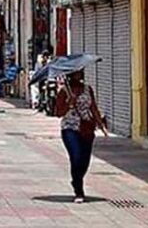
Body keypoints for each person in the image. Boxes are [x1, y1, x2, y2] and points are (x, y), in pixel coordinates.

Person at [57, 70, 108, 203]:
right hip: (70, 128)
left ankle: (76, 179)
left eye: (80, 72)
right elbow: (58, 112)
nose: (79, 75)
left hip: (86, 128)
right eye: (76, 73)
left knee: (84, 161)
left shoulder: (87, 89)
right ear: (71, 74)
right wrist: (69, 103)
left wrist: (100, 124)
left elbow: (93, 108)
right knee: (76, 157)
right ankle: (79, 190)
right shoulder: (64, 91)